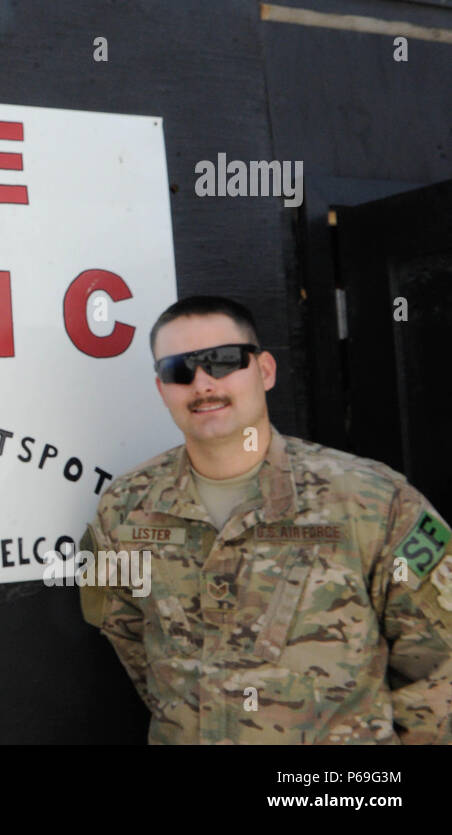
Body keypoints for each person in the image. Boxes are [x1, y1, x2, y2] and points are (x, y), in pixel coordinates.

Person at [79, 295, 451, 744]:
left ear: (265, 370)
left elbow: (439, 660)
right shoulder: (125, 508)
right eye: (178, 370)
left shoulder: (371, 500)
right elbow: (128, 636)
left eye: (222, 361)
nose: (202, 383)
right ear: (162, 390)